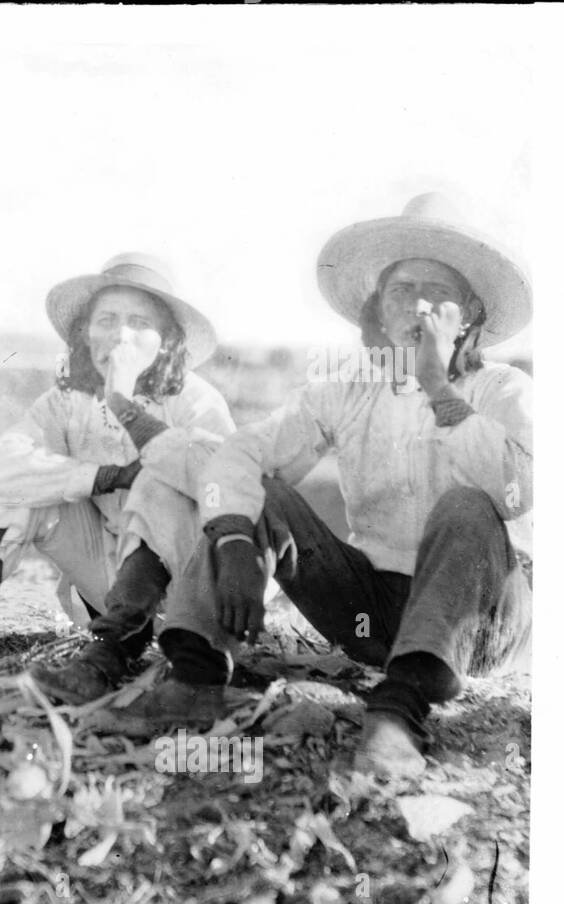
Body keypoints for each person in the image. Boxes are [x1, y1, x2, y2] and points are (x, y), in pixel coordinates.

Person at [118, 194, 532, 779]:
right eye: (400, 290)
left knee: (465, 504)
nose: (416, 306)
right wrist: (235, 535)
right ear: (378, 313)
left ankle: (400, 711)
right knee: (264, 492)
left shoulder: (503, 391)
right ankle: (194, 676)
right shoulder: (348, 392)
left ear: (467, 316)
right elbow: (245, 451)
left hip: (482, 622)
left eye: (437, 294)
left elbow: (517, 490)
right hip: (371, 617)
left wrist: (440, 388)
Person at [0, 253, 235, 704]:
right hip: (109, 592)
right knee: (23, 490)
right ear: (85, 333)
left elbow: (229, 492)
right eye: (106, 319)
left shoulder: (196, 402)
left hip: (187, 598)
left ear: (165, 338)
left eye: (138, 322)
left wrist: (129, 414)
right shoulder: (68, 402)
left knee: (157, 478)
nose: (120, 335)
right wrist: (103, 475)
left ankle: (106, 661)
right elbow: (2, 467)